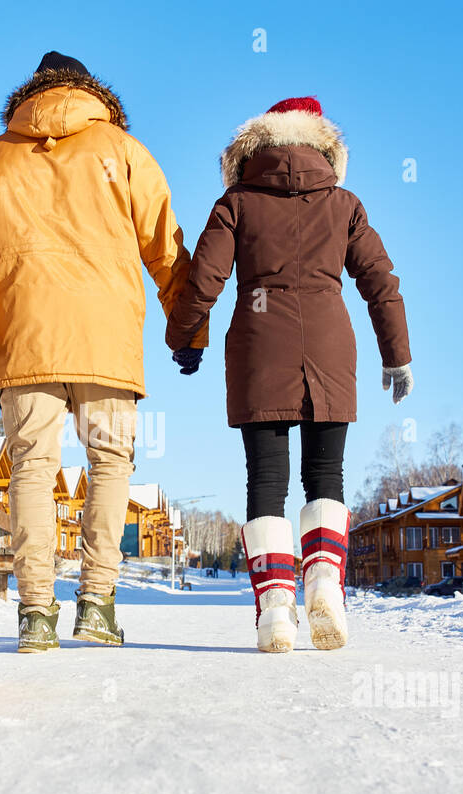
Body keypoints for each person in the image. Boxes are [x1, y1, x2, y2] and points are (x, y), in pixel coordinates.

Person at [0, 51, 192, 653]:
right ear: (91, 91)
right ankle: (98, 605)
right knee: (110, 463)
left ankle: (34, 613)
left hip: (25, 337)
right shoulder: (125, 152)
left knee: (31, 466)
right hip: (106, 339)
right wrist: (187, 328)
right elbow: (166, 246)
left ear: (30, 92)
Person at [167, 97, 412, 653]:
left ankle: (276, 607)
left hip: (259, 348)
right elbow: (380, 280)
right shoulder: (344, 203)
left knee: (266, 480)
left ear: (256, 145)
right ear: (324, 145)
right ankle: (324, 577)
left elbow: (204, 277)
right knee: (327, 474)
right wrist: (396, 353)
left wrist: (184, 337)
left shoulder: (237, 201)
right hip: (330, 346)